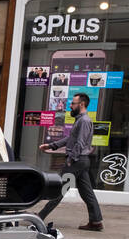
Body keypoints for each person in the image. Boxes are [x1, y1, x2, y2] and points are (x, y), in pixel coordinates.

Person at [40, 91, 102, 229]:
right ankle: (96, 221)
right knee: (87, 193)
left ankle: (40, 217)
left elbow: (80, 143)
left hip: (77, 161)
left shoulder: (84, 121)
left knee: (58, 190)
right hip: (81, 162)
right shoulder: (80, 120)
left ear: (82, 104)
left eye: (73, 103)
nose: (70, 106)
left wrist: (71, 160)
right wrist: (51, 146)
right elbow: (70, 139)